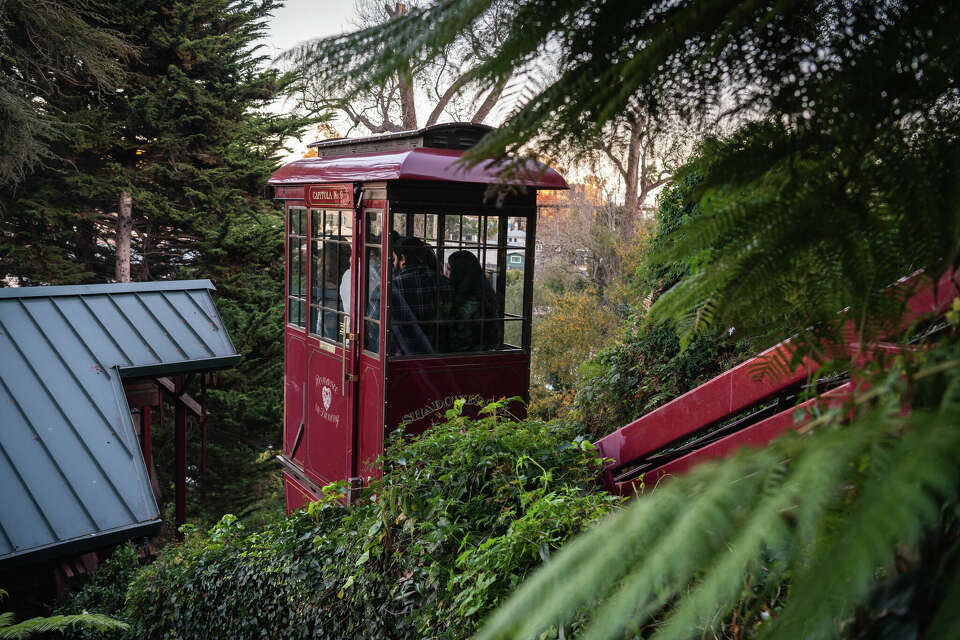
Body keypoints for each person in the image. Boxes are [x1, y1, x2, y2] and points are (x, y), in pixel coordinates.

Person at [390, 236, 443, 354]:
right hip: (440, 354)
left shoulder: (392, 287)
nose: (393, 263)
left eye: (394, 259)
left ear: (403, 258)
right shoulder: (444, 282)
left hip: (401, 356)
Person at [445, 250, 502, 351]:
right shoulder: (485, 295)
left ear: (458, 273)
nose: (445, 272)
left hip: (459, 354)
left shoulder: (458, 301)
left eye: (449, 268)